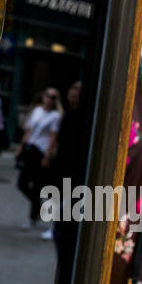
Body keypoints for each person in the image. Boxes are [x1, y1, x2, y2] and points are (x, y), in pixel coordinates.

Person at [44, 81, 86, 249]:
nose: (73, 94)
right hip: (62, 166)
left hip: (73, 170)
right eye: (71, 90)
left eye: (77, 92)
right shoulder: (67, 114)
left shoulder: (81, 116)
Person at [17, 87, 61, 231]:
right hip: (30, 149)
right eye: (47, 95)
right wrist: (20, 147)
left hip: (41, 151)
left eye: (52, 97)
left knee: (36, 186)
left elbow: (53, 138)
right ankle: (38, 206)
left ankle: (31, 217)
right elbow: (29, 130)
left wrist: (48, 156)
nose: (49, 99)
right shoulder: (37, 111)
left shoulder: (55, 116)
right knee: (22, 183)